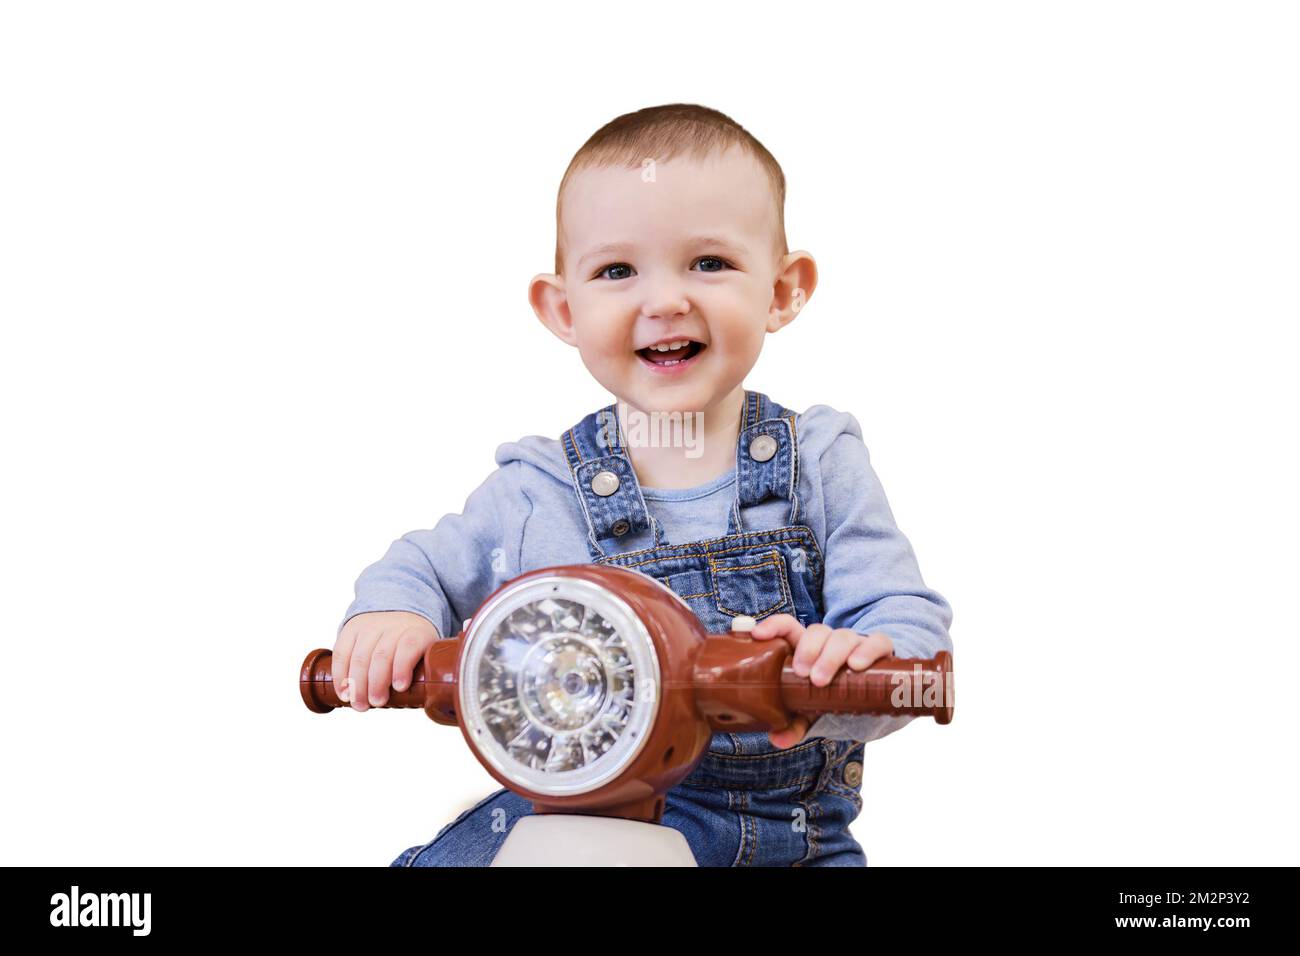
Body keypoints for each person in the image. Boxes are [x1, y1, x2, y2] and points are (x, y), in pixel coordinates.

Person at [333, 103, 953, 866]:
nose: (664, 301)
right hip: (577, 816)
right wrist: (392, 617)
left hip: (788, 836)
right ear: (564, 308)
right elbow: (423, 564)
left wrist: (852, 659)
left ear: (783, 291)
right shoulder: (542, 486)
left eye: (709, 263)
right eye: (617, 271)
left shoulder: (818, 461)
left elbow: (908, 626)